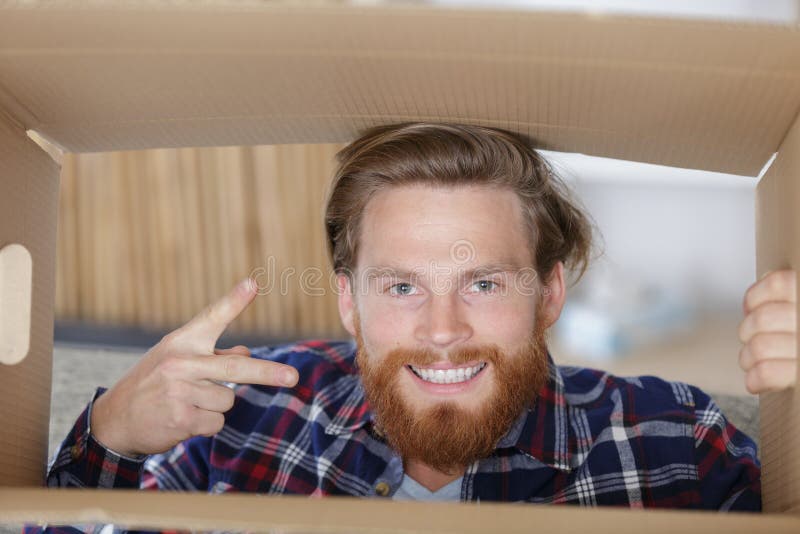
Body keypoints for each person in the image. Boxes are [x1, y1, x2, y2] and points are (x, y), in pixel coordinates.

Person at [38, 123, 797, 520]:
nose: (442, 329)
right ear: (347, 301)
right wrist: (109, 435)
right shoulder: (233, 424)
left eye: (485, 283)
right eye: (401, 285)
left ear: (550, 293)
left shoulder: (679, 445)